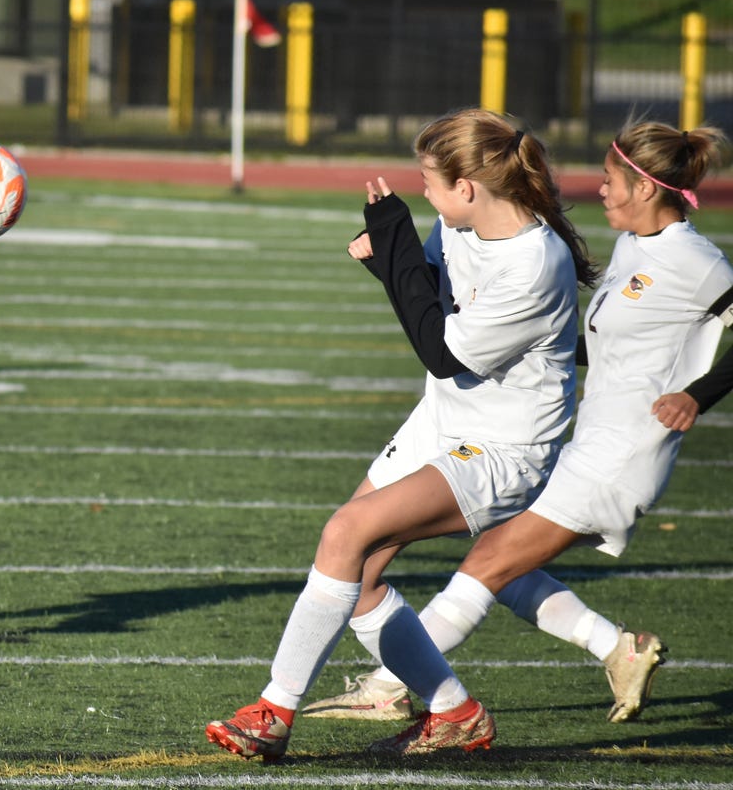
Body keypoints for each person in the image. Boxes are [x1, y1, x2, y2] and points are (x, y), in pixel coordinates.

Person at [300, 120, 733, 726]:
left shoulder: (696, 260)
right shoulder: (636, 246)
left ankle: (389, 686)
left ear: (646, 189)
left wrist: (698, 394)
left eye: (610, 182)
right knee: (499, 561)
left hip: (625, 454)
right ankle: (617, 647)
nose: (600, 191)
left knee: (489, 562)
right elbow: (593, 346)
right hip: (587, 442)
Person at [205, 108, 599, 759]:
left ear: (467, 186)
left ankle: (272, 711)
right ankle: (455, 712)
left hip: (505, 448)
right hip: (444, 418)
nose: (423, 193)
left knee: (344, 532)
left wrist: (392, 241)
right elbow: (431, 294)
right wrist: (389, 260)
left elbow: (440, 350)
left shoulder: (535, 262)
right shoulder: (459, 221)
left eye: (429, 180)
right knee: (354, 574)